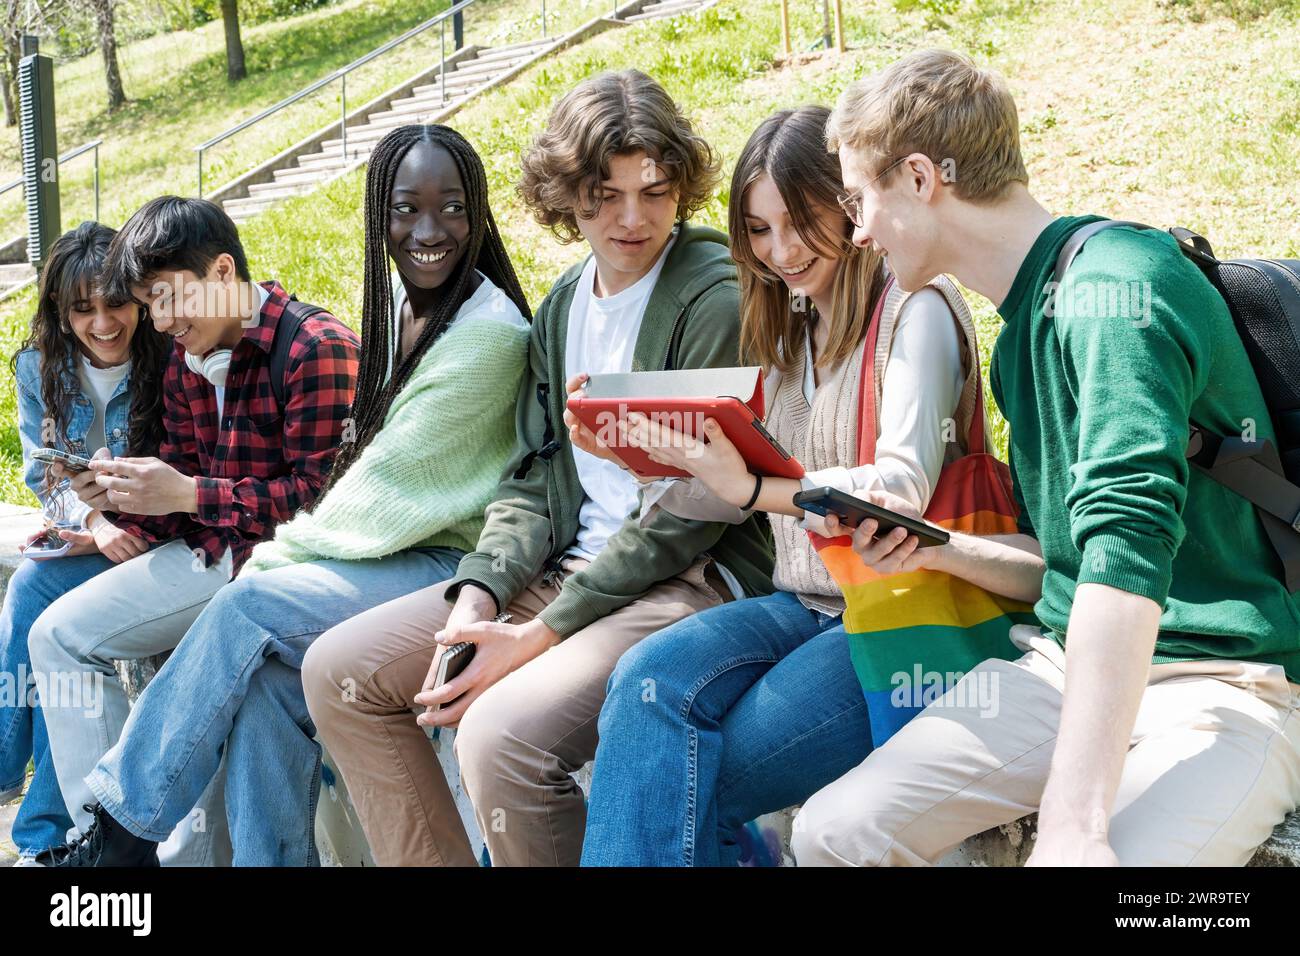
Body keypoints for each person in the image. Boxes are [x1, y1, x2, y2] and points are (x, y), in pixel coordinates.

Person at [792, 48, 1300, 867]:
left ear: (921, 176)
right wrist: (937, 546)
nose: (855, 233)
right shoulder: (1022, 330)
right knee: (835, 831)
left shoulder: (1114, 291)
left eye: (859, 201)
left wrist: (1072, 822)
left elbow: (1126, 552)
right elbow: (1063, 566)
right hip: (1065, 670)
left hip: (1227, 683)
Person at [303, 70, 774, 867]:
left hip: (687, 581)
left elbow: (692, 513)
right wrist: (479, 593)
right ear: (566, 195)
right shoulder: (562, 308)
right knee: (340, 673)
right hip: (567, 570)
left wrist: (536, 636)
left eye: (654, 193)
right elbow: (532, 478)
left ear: (681, 188)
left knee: (500, 738)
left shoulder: (711, 297)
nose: (632, 219)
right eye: (604, 196)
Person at [43, 125, 534, 868]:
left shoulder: (456, 338)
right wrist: (120, 496)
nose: (427, 231)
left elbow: (367, 494)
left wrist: (255, 548)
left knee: (245, 606)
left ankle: (119, 831)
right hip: (343, 559)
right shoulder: (398, 311)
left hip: (450, 567)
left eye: (451, 208)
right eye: (404, 210)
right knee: (270, 681)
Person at [576, 106, 1043, 866]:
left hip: (894, 612)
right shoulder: (793, 325)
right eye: (759, 231)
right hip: (804, 600)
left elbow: (900, 486)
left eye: (799, 221)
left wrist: (756, 489)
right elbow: (743, 486)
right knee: (644, 681)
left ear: (850, 206)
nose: (781, 251)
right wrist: (643, 451)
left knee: (689, 776)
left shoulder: (914, 311)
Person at [29, 196, 359, 865]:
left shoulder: (315, 349)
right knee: (55, 632)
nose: (162, 320)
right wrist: (113, 499)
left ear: (222, 270)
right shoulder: (186, 361)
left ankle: (127, 843)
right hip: (210, 557)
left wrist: (192, 492)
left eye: (170, 296)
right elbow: (180, 491)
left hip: (284, 572)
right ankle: (105, 841)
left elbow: (324, 503)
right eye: (150, 302)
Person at [0, 222, 168, 865]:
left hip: (154, 544)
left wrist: (115, 521)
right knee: (38, 598)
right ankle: (43, 838)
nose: (103, 322)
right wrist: (94, 523)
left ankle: (28, 812)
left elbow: (175, 469)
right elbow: (45, 472)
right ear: (61, 312)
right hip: (89, 539)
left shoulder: (165, 361)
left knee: (34, 592)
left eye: (115, 302)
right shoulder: (38, 368)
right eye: (82, 308)